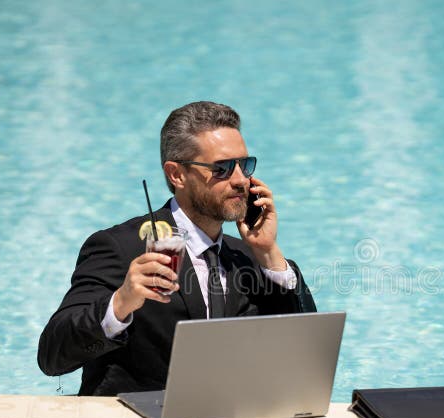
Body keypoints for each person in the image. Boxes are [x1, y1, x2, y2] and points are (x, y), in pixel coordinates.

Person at [38, 101, 316, 395]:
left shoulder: (249, 257)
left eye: (244, 165)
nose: (239, 180)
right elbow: (51, 357)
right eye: (222, 168)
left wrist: (269, 252)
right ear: (177, 175)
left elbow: (305, 352)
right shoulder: (121, 248)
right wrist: (120, 303)